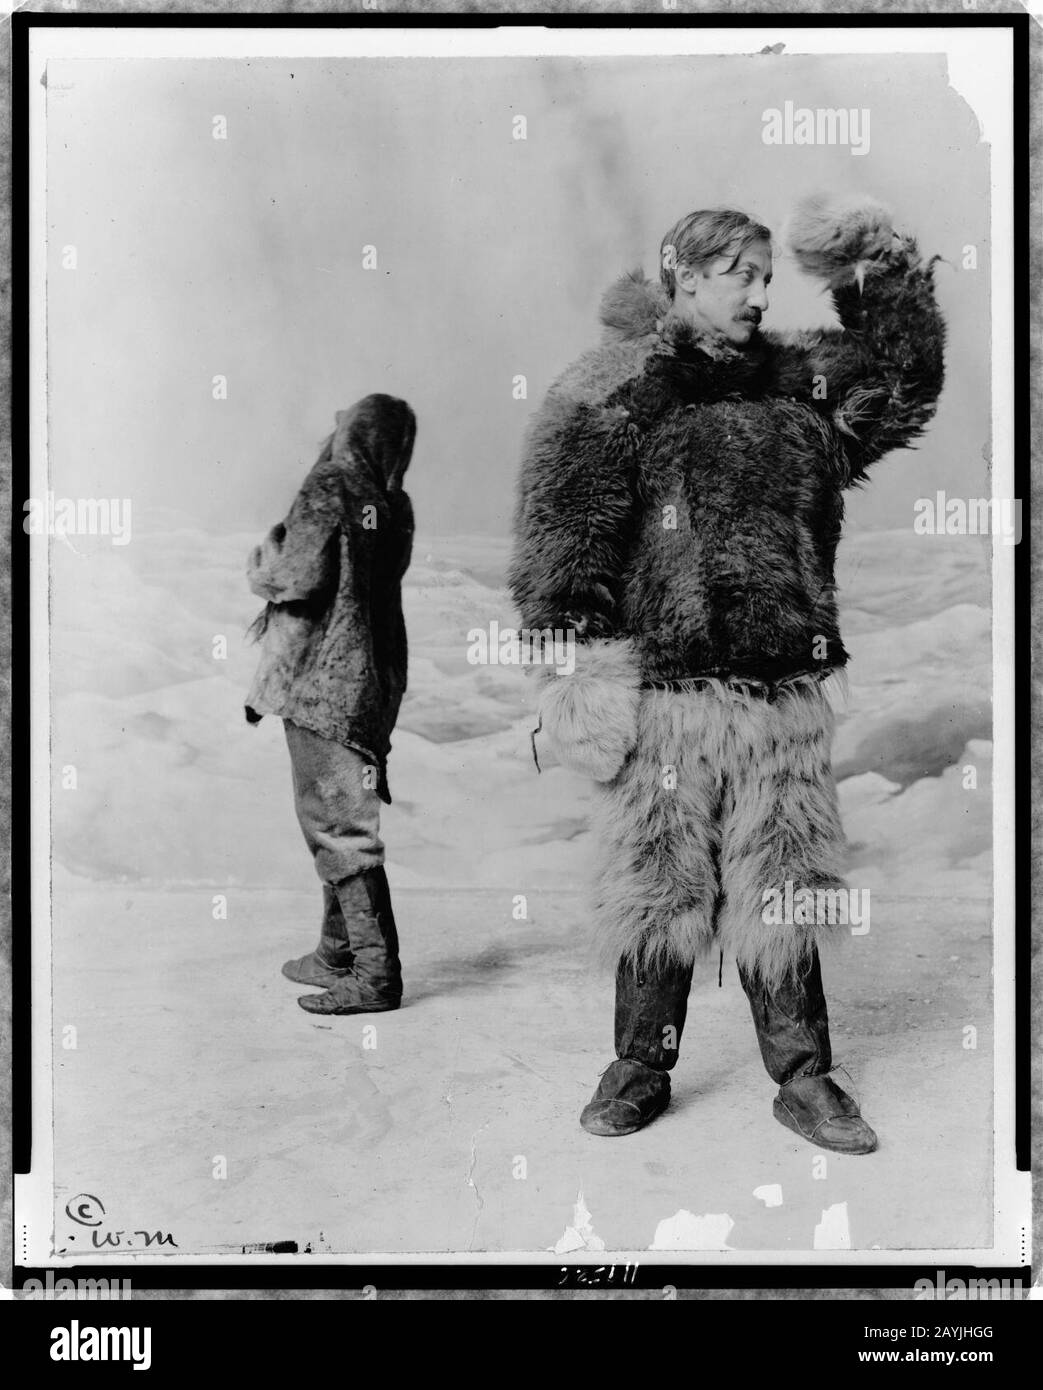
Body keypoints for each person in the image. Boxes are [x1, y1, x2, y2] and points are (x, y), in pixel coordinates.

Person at [508, 193, 945, 1149]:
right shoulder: (611, 387)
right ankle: (636, 1067)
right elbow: (564, 536)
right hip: (662, 696)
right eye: (739, 274)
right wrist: (576, 666)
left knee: (783, 889)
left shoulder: (799, 386)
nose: (758, 291)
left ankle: (804, 1078)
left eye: (765, 274)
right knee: (656, 887)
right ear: (685, 276)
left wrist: (877, 263)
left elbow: (905, 381)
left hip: (783, 693)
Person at [245, 393, 416, 1016]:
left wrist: (264, 554)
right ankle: (336, 952)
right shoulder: (394, 506)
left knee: (339, 824)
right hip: (374, 681)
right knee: (339, 810)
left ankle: (375, 975)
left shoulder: (331, 486)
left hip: (323, 683)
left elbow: (296, 577)